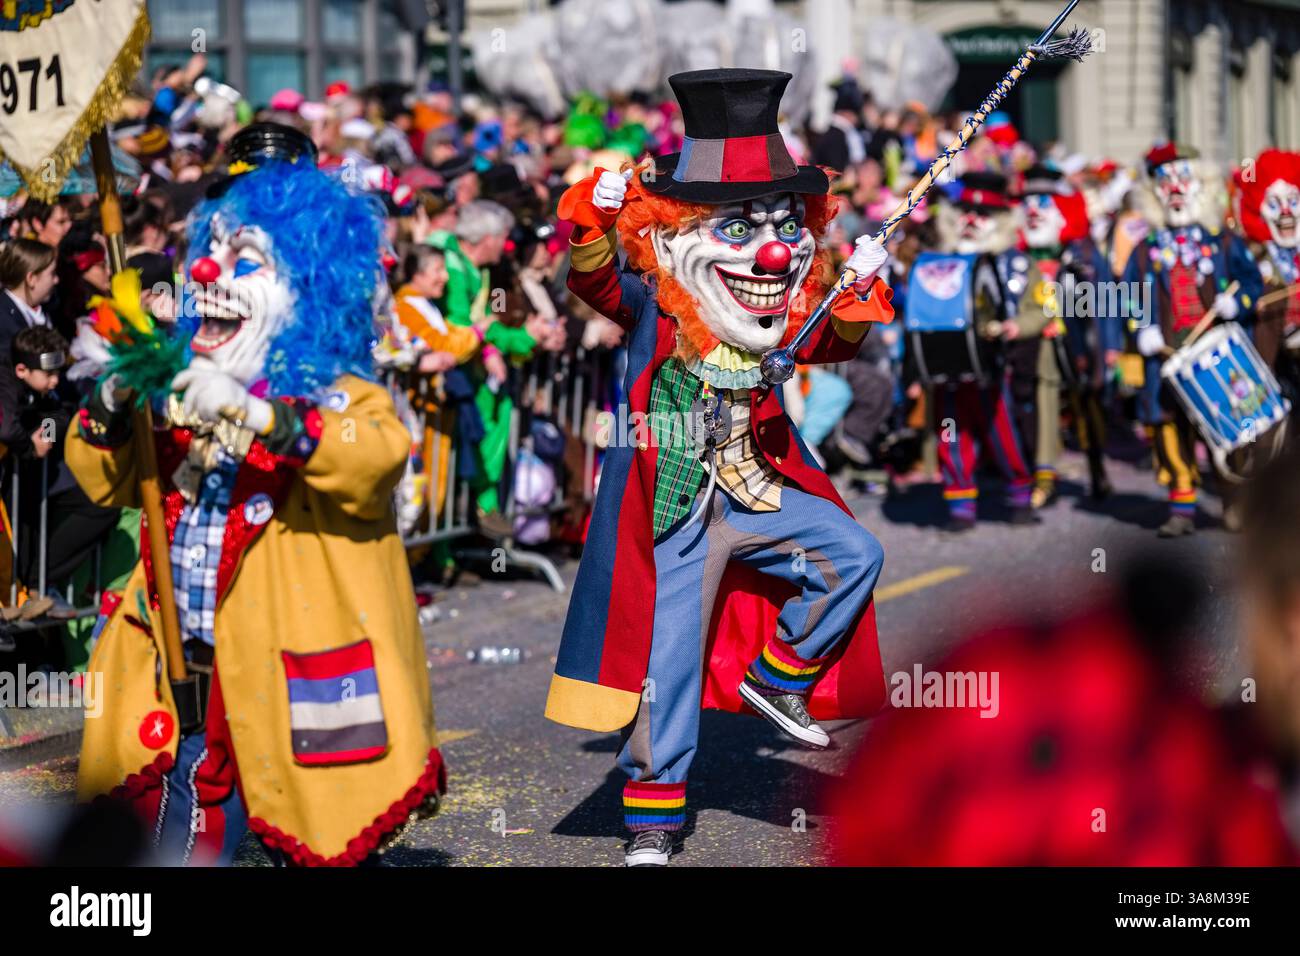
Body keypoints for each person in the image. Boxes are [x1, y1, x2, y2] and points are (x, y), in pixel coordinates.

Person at [67, 123, 444, 867]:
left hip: (293, 676)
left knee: (308, 836)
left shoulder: (338, 393)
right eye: (215, 246)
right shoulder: (178, 378)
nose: (211, 269)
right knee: (173, 842)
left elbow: (375, 457)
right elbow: (105, 481)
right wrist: (114, 399)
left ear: (306, 285)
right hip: (182, 675)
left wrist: (256, 412)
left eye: (248, 258)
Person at [549, 69, 892, 866]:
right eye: (737, 228)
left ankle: (780, 675)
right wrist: (591, 215)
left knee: (855, 553)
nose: (771, 248)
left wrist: (859, 281)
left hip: (753, 489)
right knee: (665, 665)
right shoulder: (650, 296)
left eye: (782, 225)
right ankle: (653, 819)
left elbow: (833, 340)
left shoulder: (780, 296)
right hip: (675, 507)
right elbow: (592, 276)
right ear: (672, 231)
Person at [1119, 144, 1263, 537]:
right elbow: (1129, 295)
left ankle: (1233, 503)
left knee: (1228, 429)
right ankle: (1181, 506)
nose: (1176, 190)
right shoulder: (1146, 250)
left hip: (1216, 356)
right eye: (1166, 184)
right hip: (1167, 358)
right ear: (1155, 194)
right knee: (1170, 431)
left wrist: (1238, 302)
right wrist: (1140, 327)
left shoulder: (1224, 242)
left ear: (1200, 187)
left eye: (1184, 181)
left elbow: (1252, 283)